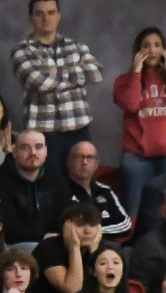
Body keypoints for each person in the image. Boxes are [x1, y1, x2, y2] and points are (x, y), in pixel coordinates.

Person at [13, 0, 103, 176]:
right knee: (53, 192)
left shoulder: (76, 46)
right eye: (39, 13)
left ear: (58, 16)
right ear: (30, 18)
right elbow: (37, 82)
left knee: (83, 189)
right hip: (45, 137)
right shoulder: (21, 51)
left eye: (51, 12)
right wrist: (76, 75)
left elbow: (96, 72)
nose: (46, 18)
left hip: (80, 132)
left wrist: (56, 73)